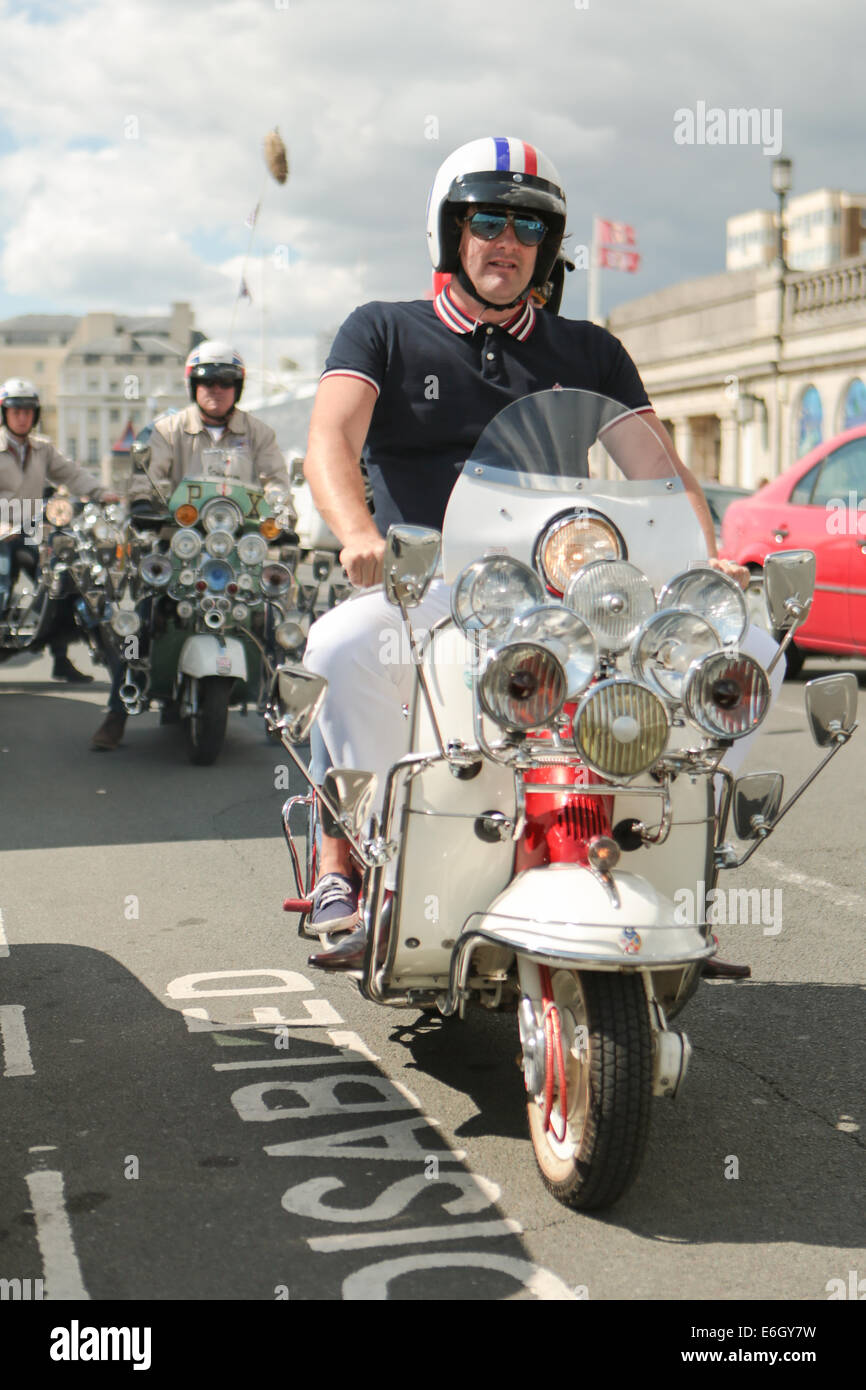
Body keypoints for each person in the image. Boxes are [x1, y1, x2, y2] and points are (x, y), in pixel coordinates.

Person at [300, 135, 752, 972]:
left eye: (528, 225)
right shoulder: (383, 332)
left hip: (564, 599)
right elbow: (330, 434)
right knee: (341, 643)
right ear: (451, 233)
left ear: (547, 245)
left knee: (740, 650)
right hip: (426, 589)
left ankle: (690, 867)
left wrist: (706, 557)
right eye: (486, 219)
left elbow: (659, 465)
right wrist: (359, 536)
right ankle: (365, 853)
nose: (506, 239)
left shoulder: (589, 351)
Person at [92, 340, 291, 749]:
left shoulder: (259, 434)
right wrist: (146, 500)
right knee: (144, 615)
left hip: (240, 550)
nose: (214, 390)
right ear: (191, 385)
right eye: (205, 382)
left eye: (225, 382)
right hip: (179, 546)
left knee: (271, 617)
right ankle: (118, 709)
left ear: (238, 387)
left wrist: (283, 516)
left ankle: (277, 706)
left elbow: (277, 483)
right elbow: (150, 473)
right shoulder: (168, 429)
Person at [0, 378, 118, 681]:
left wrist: (100, 492)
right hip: (0, 534)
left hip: (33, 531)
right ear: (4, 413)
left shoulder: (42, 450)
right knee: (0, 581)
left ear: (35, 414)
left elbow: (72, 473)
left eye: (28, 411)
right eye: (16, 411)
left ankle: (60, 658)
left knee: (62, 577)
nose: (22, 416)